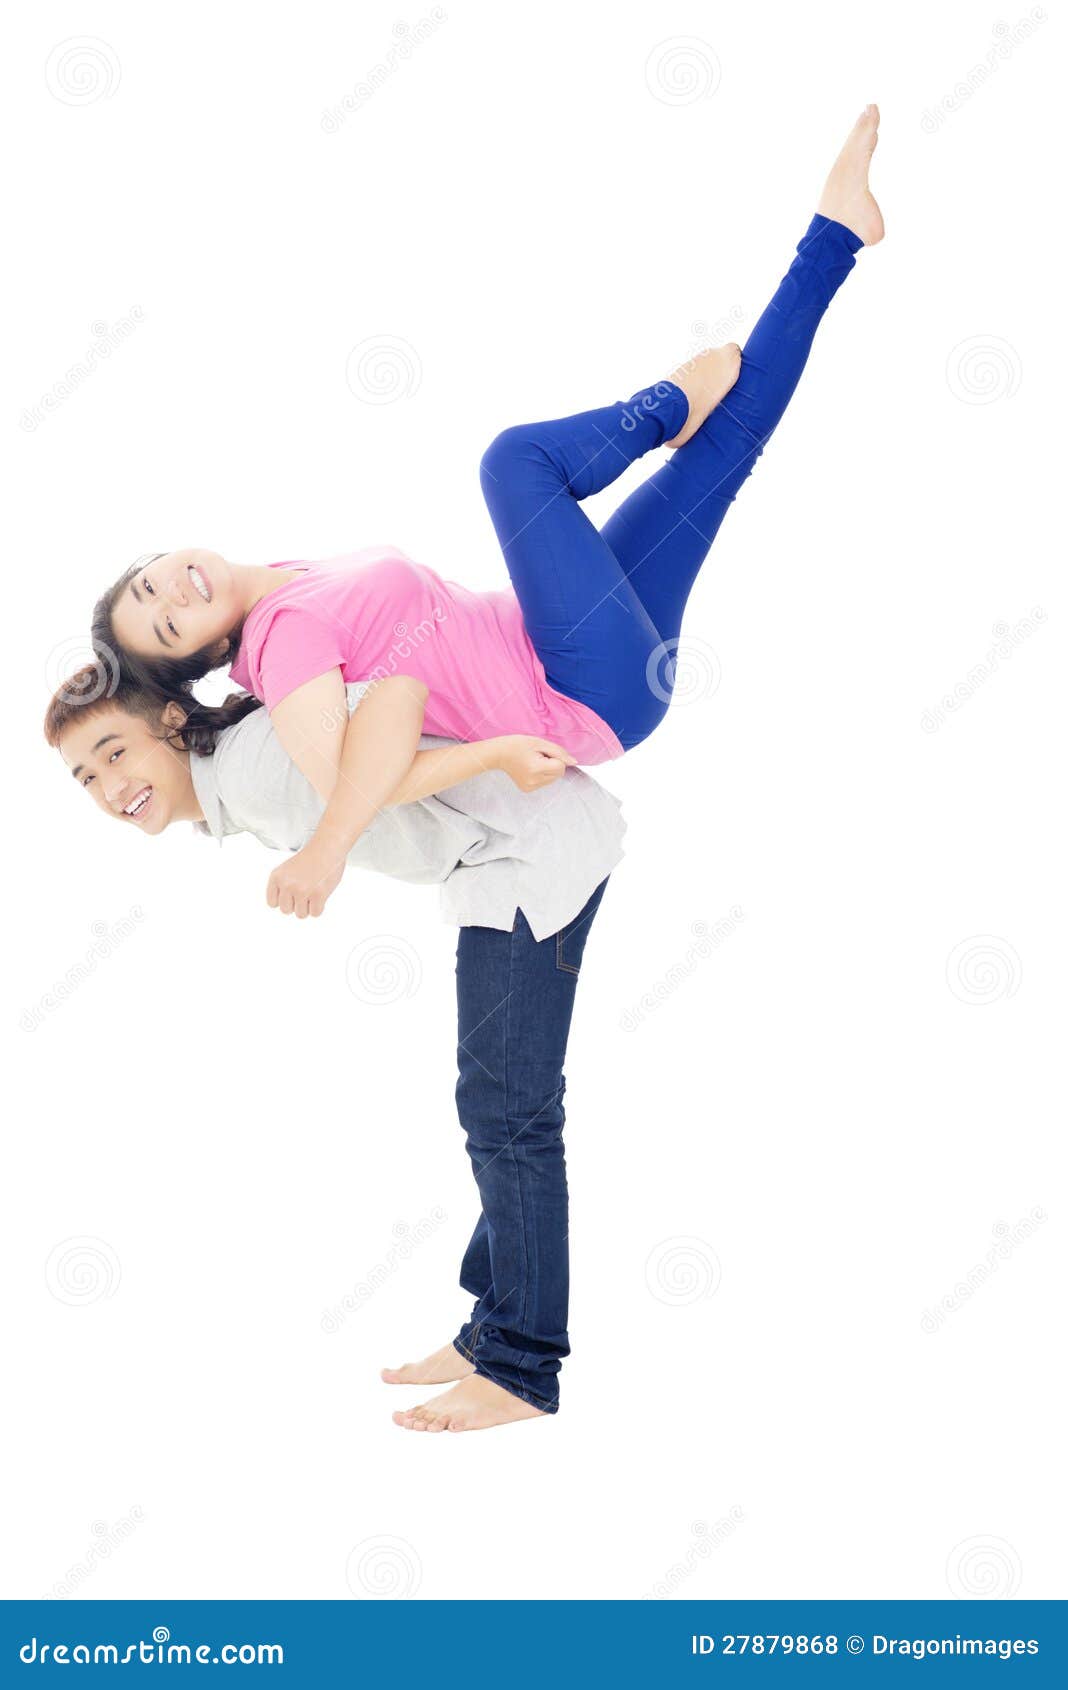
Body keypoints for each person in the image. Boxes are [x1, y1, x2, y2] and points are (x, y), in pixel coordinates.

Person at [87, 108, 884, 921]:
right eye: (170, 627)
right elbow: (354, 783)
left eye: (150, 586)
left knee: (723, 451)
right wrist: (489, 759)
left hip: (567, 649)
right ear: (210, 650)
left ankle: (836, 233)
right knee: (515, 465)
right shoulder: (279, 641)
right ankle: (665, 404)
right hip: (578, 684)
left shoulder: (288, 586)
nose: (171, 596)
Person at [46, 667, 624, 1431]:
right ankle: (494, 1329)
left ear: (174, 726)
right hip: (504, 854)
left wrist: (331, 846)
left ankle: (521, 1364)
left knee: (509, 1110)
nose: (108, 787)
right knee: (503, 1100)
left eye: (115, 753)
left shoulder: (252, 773)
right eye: (86, 776)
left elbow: (398, 693)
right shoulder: (241, 779)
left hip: (532, 847)